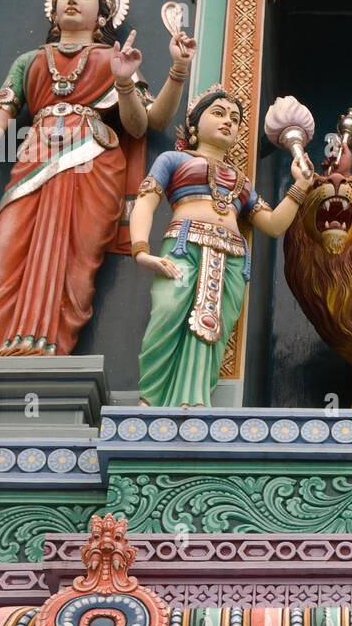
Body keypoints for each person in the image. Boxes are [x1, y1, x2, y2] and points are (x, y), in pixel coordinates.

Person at [0, 0, 195, 356]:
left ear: (102, 13)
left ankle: (50, 348)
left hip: (92, 170)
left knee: (76, 264)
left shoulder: (110, 59)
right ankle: (7, 348)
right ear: (53, 7)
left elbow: (145, 124)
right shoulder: (31, 62)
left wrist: (161, 74)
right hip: (32, 166)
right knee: (7, 259)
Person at [131, 86, 314, 407]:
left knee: (210, 327)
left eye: (235, 118)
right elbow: (145, 202)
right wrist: (141, 250)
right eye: (218, 113)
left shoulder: (240, 181)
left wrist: (299, 187)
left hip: (230, 258)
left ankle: (194, 401)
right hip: (183, 247)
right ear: (193, 125)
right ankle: (152, 400)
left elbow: (273, 225)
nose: (228, 122)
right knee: (168, 312)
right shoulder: (173, 160)